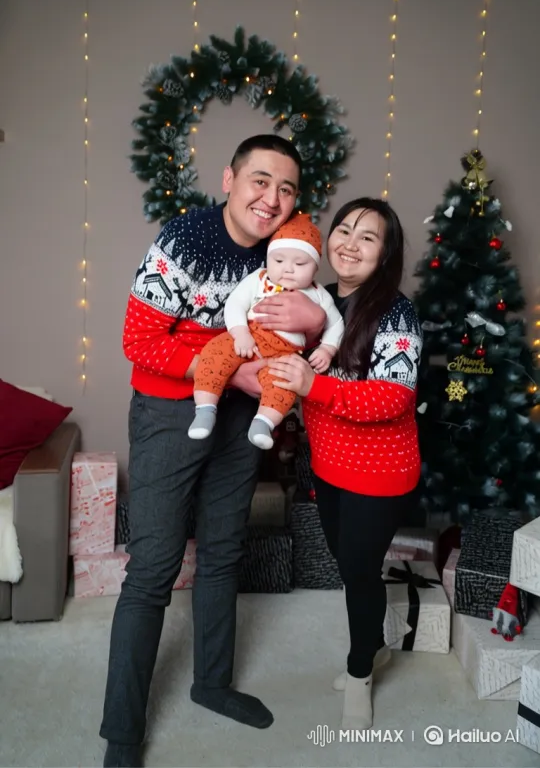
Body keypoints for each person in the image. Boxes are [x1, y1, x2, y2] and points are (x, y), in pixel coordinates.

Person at [100, 134, 326, 768]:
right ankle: (122, 730)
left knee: (225, 551)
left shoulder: (288, 259)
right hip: (170, 412)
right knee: (152, 569)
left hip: (239, 417)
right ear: (229, 180)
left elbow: (315, 326)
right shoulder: (185, 239)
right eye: (260, 180)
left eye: (285, 189)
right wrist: (226, 371)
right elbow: (138, 339)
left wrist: (306, 330)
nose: (271, 198)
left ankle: (212, 683)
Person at [268, 197, 423, 732]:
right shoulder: (317, 300)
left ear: (386, 254)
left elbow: (393, 397)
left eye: (368, 237)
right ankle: (374, 643)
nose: (350, 243)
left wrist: (315, 385)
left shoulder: (396, 312)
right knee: (349, 565)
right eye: (344, 229)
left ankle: (361, 671)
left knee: (358, 571)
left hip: (380, 470)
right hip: (329, 463)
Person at [187, 213, 344, 449]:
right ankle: (205, 409)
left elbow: (336, 323)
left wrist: (327, 350)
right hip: (248, 338)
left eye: (300, 264)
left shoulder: (318, 294)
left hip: (282, 354)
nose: (287, 269)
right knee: (215, 353)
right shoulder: (258, 280)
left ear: (315, 269)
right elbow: (236, 303)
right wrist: (240, 332)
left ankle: (263, 423)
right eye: (278, 261)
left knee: (283, 385)